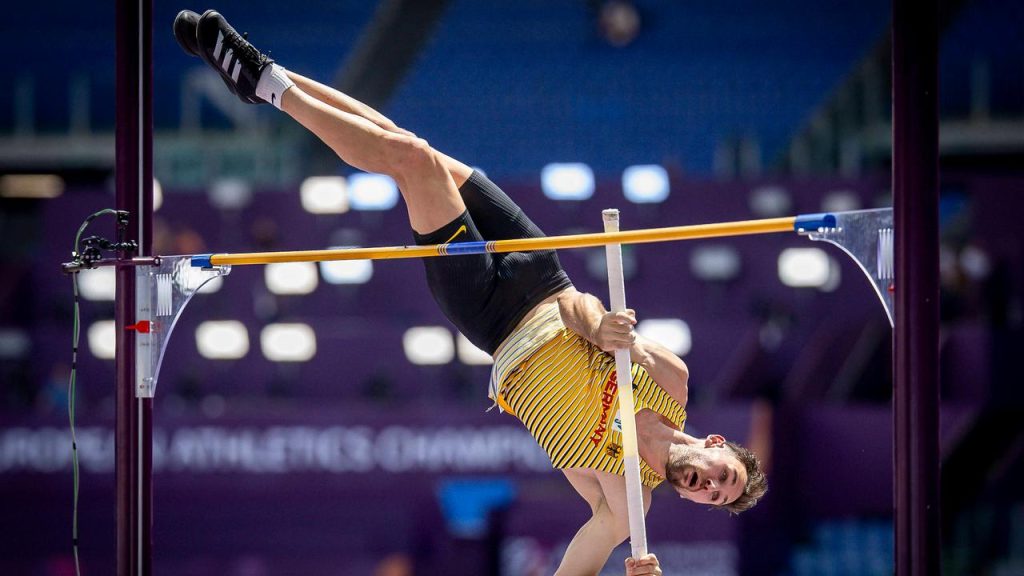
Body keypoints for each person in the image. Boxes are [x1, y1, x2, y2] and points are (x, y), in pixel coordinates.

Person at [174, 10, 767, 574]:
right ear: (717, 445)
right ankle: (264, 75)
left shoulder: (625, 505)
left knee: (411, 162)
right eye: (724, 476)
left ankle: (266, 86)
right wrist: (609, 334)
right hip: (541, 272)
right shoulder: (673, 384)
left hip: (492, 317)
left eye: (716, 497)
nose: (711, 486)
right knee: (414, 146)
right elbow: (578, 307)